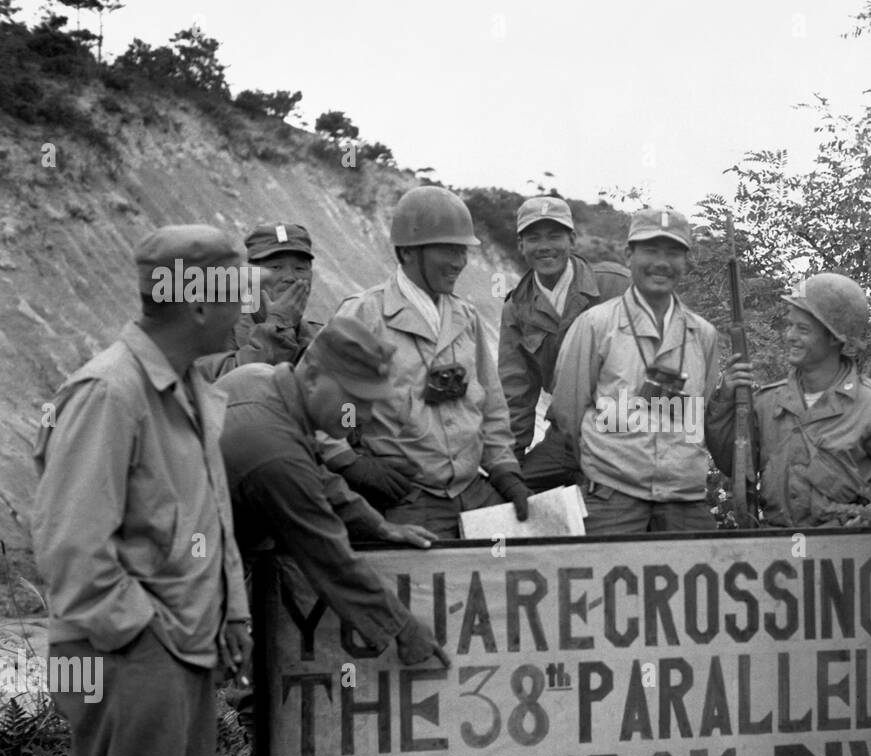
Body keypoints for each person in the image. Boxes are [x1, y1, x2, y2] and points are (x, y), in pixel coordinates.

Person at [30, 225, 253, 756]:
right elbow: (71, 551)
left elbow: (208, 519)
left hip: (175, 653)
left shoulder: (192, 389)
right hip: (122, 658)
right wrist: (149, 640)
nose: (244, 304)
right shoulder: (109, 391)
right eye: (233, 287)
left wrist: (231, 616)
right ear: (195, 300)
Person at [216, 317, 449, 727]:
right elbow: (328, 556)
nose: (360, 417)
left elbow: (315, 477)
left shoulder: (262, 380)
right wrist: (403, 628)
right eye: (354, 402)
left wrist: (377, 526)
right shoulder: (271, 450)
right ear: (312, 377)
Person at [319, 186, 529, 536]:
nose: (460, 262)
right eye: (449, 249)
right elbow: (318, 404)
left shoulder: (467, 317)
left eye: (462, 250)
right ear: (408, 252)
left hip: (473, 493)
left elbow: (490, 404)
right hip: (407, 500)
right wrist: (349, 463)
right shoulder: (364, 314)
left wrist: (506, 470)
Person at [706, 272, 871, 526]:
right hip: (778, 548)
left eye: (803, 329)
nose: (790, 335)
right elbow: (734, 465)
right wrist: (725, 398)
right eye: (790, 325)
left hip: (850, 553)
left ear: (835, 337)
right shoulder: (768, 402)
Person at [550, 206, 720, 534]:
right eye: (651, 250)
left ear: (685, 262)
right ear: (629, 255)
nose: (661, 262)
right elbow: (567, 413)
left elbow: (702, 410)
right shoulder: (596, 325)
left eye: (673, 252)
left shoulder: (704, 335)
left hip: (684, 500)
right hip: (614, 497)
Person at [498, 195, 629, 490]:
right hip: (565, 438)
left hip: (622, 431)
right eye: (533, 238)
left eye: (555, 236)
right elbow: (516, 392)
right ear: (521, 246)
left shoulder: (615, 285)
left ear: (572, 239)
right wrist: (509, 463)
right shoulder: (516, 308)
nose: (545, 246)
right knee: (509, 496)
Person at [196, 221, 317, 380]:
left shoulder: (322, 338)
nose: (290, 277)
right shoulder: (215, 331)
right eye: (276, 267)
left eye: (300, 269)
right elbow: (232, 384)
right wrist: (279, 327)